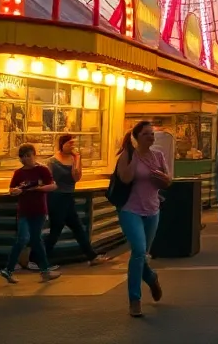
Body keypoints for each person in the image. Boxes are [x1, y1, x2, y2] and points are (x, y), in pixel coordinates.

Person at [114, 120, 171, 317]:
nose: (151, 137)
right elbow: (126, 178)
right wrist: (134, 156)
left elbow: (168, 180)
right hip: (131, 210)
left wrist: (163, 179)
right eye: (146, 134)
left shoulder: (158, 156)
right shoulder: (127, 155)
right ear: (137, 136)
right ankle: (134, 299)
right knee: (138, 251)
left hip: (152, 210)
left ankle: (151, 277)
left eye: (152, 134)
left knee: (142, 254)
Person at [0, 143, 61, 283]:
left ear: (34, 155)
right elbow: (11, 189)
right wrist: (14, 191)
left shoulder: (42, 170)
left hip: (39, 210)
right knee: (23, 238)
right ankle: (9, 269)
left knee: (36, 240)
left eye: (28, 156)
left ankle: (44, 271)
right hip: (23, 211)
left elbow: (53, 185)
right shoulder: (18, 173)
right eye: (22, 157)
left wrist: (38, 189)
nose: (26, 159)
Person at [45, 134, 109, 266]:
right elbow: (48, 178)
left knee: (77, 228)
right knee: (56, 229)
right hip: (56, 197)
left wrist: (77, 158)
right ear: (62, 144)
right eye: (69, 143)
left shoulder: (74, 159)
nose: (71, 146)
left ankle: (92, 256)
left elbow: (76, 178)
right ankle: (38, 258)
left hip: (68, 197)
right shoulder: (52, 161)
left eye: (73, 144)